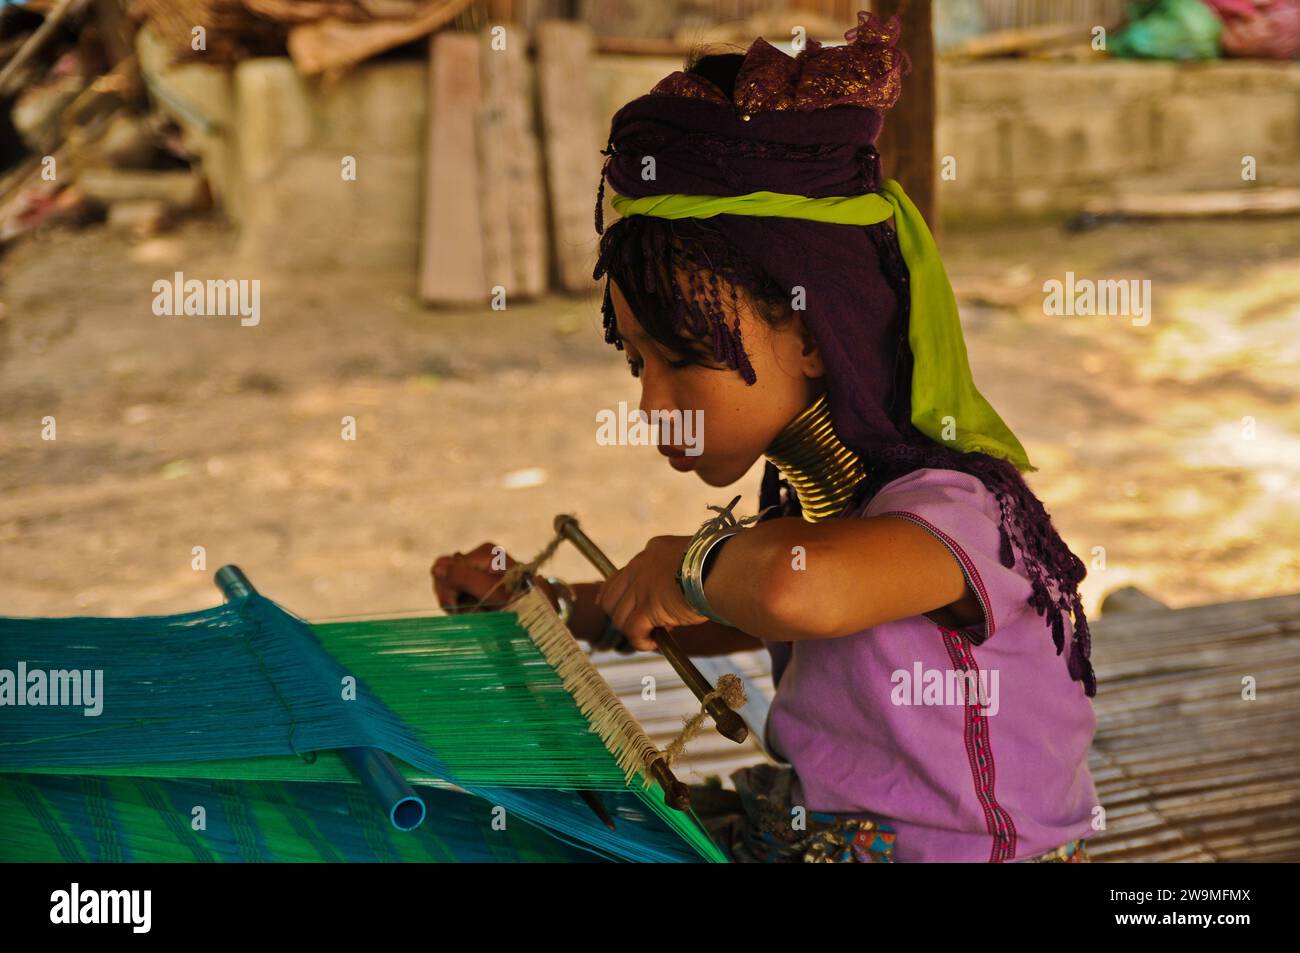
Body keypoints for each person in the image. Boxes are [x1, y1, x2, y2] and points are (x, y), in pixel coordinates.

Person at [433, 10, 1098, 863]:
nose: (653, 403)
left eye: (682, 358)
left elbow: (795, 594)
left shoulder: (958, 511)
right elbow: (740, 605)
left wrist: (685, 562)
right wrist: (553, 607)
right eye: (636, 363)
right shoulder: (817, 507)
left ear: (813, 337)